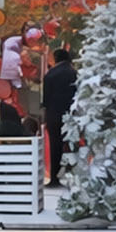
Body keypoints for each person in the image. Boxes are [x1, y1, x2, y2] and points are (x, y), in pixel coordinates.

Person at [43, 47, 78, 186]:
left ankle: (54, 178)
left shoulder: (50, 74)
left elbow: (46, 99)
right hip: (70, 114)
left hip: (54, 114)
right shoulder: (73, 73)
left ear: (56, 59)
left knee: (55, 146)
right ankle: (73, 176)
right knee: (71, 144)